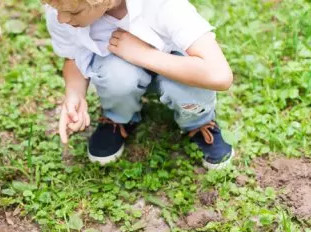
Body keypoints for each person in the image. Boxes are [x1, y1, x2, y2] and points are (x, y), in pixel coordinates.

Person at [44, 0, 235, 169]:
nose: (61, 18)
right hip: (122, 67)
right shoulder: (62, 6)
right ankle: (118, 116)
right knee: (117, 76)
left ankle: (199, 121)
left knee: (182, 89)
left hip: (175, 63)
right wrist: (75, 93)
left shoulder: (162, 6)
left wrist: (145, 55)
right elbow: (73, 57)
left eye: (74, 12)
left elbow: (219, 75)